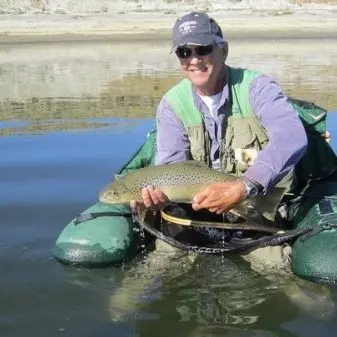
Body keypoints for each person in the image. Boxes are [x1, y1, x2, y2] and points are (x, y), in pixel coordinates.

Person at [130, 11, 333, 222]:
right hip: (201, 211)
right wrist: (159, 199)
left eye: (203, 49)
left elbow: (291, 137)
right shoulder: (171, 105)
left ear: (223, 50)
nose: (194, 60)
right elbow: (172, 168)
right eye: (184, 52)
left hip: (259, 203)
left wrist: (245, 186)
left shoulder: (258, 88)